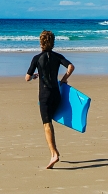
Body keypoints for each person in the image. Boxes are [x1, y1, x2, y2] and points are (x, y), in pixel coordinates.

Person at [25, 30, 74, 169]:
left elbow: (27, 78)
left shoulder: (36, 58)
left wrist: (36, 76)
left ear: (41, 43)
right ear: (53, 42)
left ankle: (54, 154)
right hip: (56, 94)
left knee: (47, 124)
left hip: (45, 96)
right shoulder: (58, 57)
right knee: (50, 121)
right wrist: (64, 79)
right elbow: (71, 66)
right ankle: (54, 151)